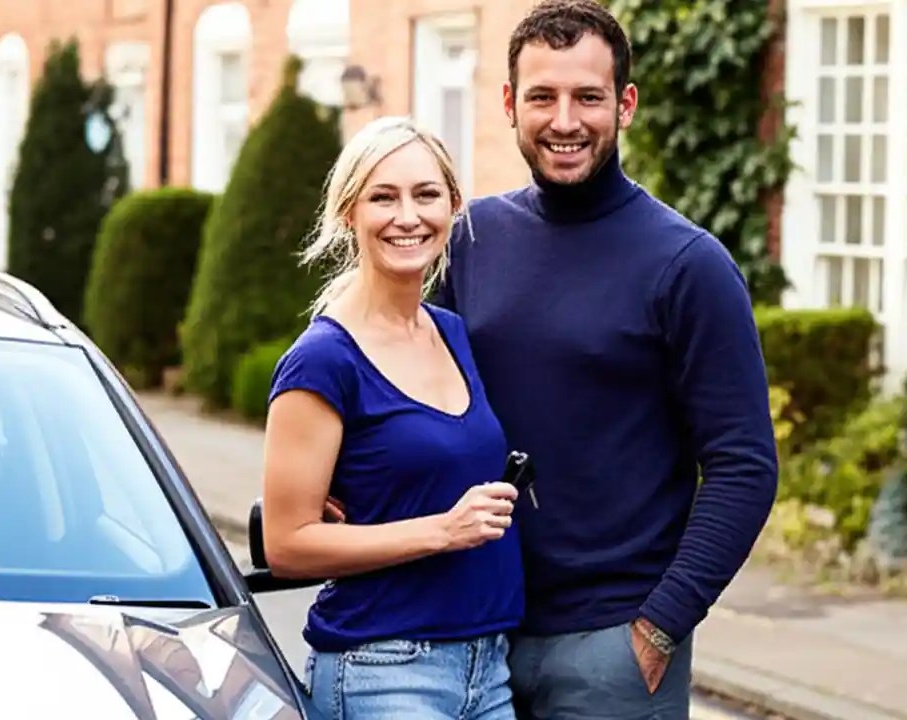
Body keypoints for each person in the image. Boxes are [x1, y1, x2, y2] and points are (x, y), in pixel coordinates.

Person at [435, 1, 781, 717]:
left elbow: (744, 464)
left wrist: (659, 627)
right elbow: (407, 389)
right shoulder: (470, 242)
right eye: (543, 97)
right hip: (470, 633)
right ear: (509, 104)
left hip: (611, 648)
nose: (565, 121)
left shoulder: (688, 265)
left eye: (587, 97)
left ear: (624, 104)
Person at [260, 115, 525, 719]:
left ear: (454, 207)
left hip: (487, 670)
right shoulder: (323, 360)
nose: (408, 216)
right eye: (384, 197)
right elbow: (288, 545)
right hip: (383, 671)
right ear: (349, 213)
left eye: (426, 194)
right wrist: (442, 530)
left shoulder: (452, 333)